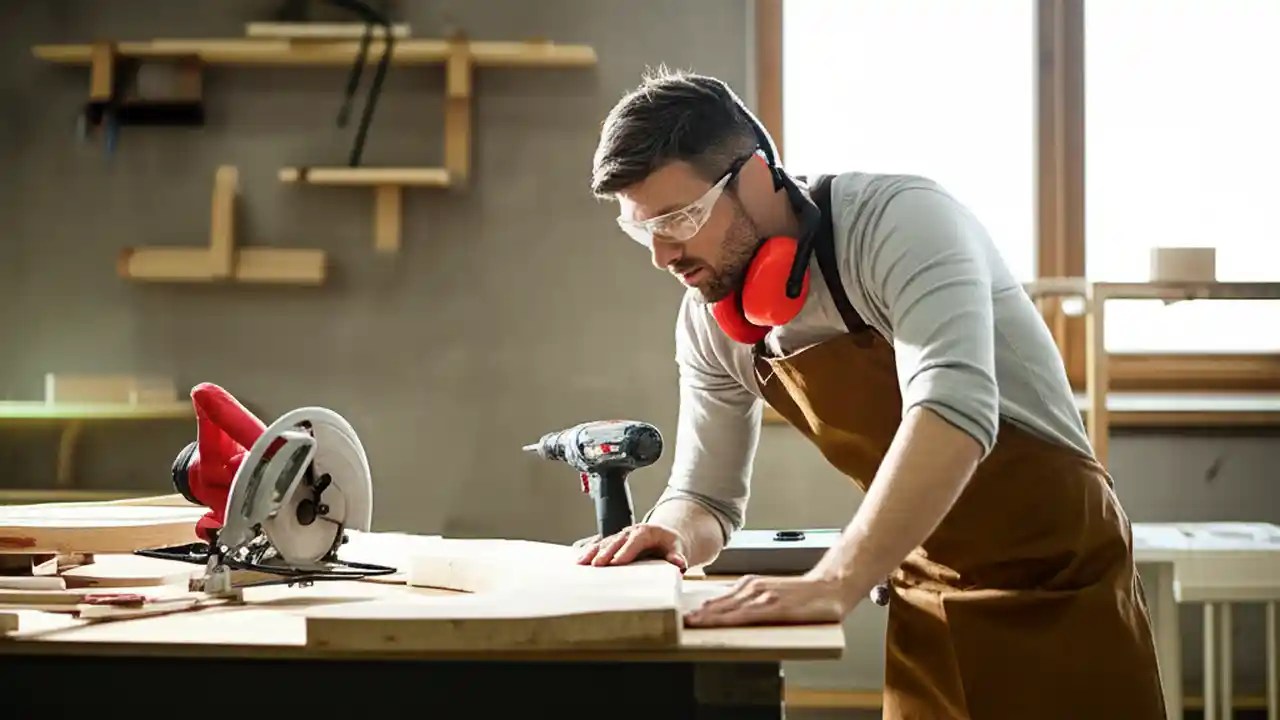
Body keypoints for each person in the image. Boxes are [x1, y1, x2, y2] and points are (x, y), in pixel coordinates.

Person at [578, 67, 1168, 718]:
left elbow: (953, 407)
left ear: (754, 175)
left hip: (1062, 581)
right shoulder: (712, 324)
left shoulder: (901, 222)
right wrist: (671, 533)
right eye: (643, 231)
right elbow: (705, 497)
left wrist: (835, 582)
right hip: (926, 597)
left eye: (681, 218)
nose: (663, 255)